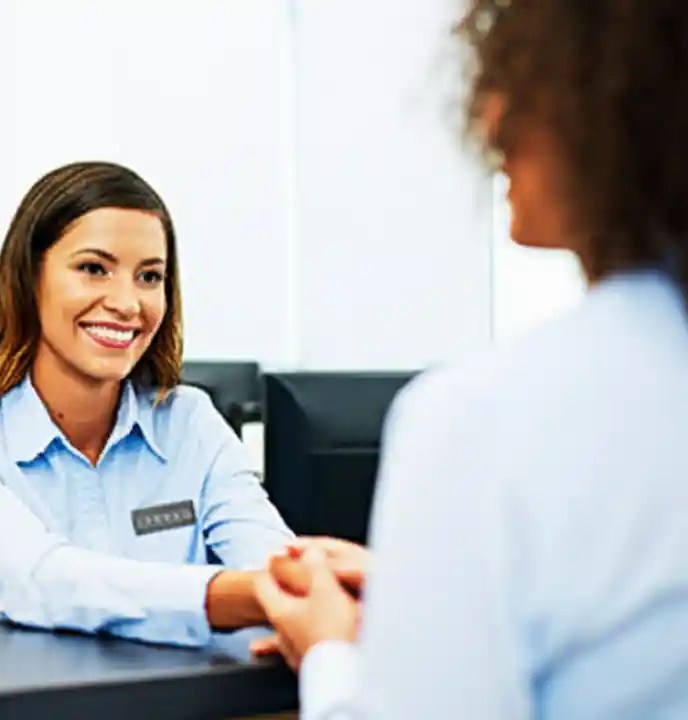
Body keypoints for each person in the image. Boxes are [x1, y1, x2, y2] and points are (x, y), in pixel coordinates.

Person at [252, 1, 688, 717]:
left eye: (517, 85)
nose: (487, 122)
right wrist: (430, 585)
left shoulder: (486, 418)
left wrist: (329, 651)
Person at [0, 161, 293, 647]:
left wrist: (304, 591)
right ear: (29, 277)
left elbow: (268, 555)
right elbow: (40, 581)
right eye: (94, 269)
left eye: (149, 277)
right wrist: (236, 597)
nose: (128, 303)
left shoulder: (188, 421)